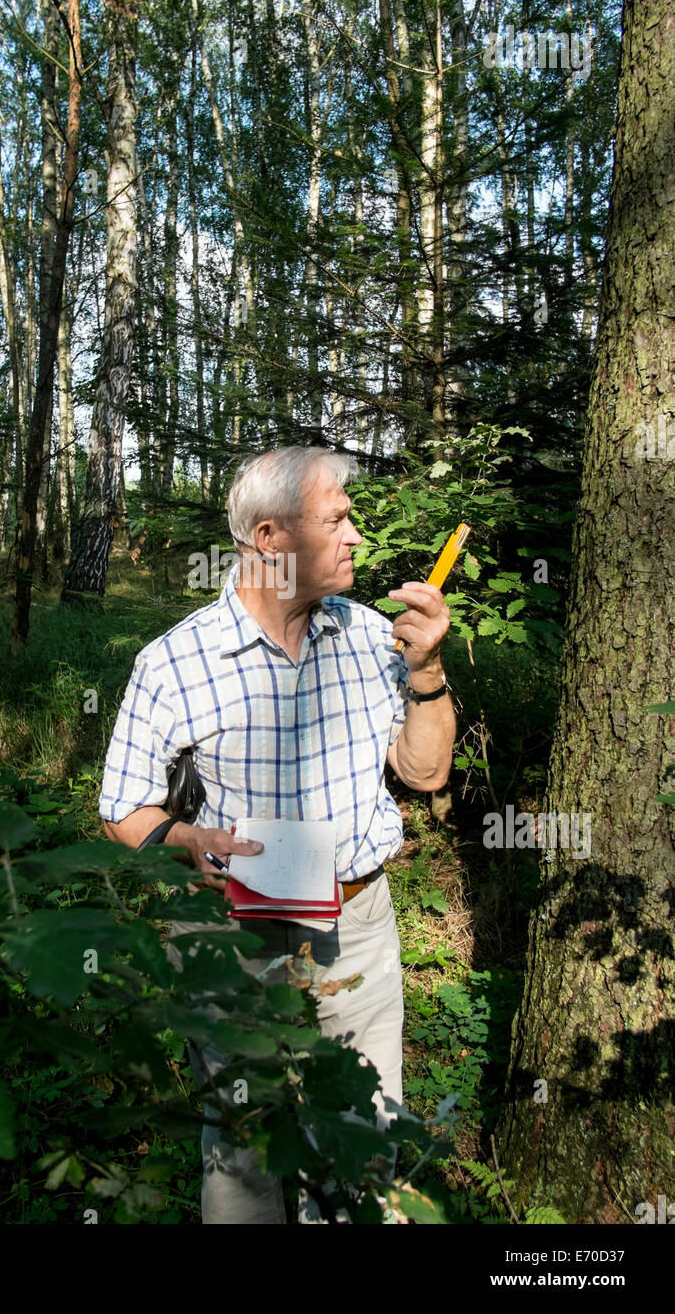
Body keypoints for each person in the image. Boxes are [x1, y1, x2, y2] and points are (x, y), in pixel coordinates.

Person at [100, 446, 455, 1222]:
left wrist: (426, 671)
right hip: (231, 932)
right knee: (244, 1149)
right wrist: (181, 840)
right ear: (270, 538)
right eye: (337, 520)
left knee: (363, 1136)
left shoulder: (370, 639)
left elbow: (426, 775)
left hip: (356, 925)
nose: (358, 535)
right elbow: (122, 806)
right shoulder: (175, 662)